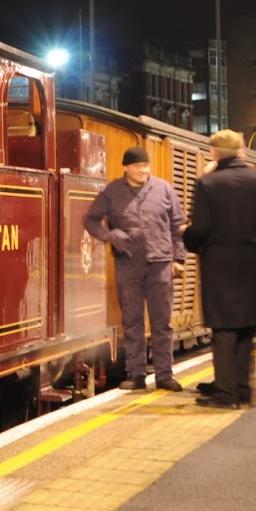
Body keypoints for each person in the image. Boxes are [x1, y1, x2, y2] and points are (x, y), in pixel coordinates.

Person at [84, 145, 186, 391]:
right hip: (128, 263)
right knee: (132, 321)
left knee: (162, 322)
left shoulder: (164, 189)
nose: (143, 170)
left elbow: (178, 225)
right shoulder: (112, 191)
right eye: (138, 166)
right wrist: (108, 235)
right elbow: (90, 220)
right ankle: (136, 374)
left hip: (160, 263)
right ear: (126, 167)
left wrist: (179, 258)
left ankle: (164, 375)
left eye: (145, 166)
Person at [183, 129, 256, 409]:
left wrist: (187, 236)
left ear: (214, 152)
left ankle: (225, 393)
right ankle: (245, 389)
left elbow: (201, 229)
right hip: (249, 263)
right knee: (247, 328)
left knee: (223, 330)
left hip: (219, 264)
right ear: (241, 151)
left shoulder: (209, 183)